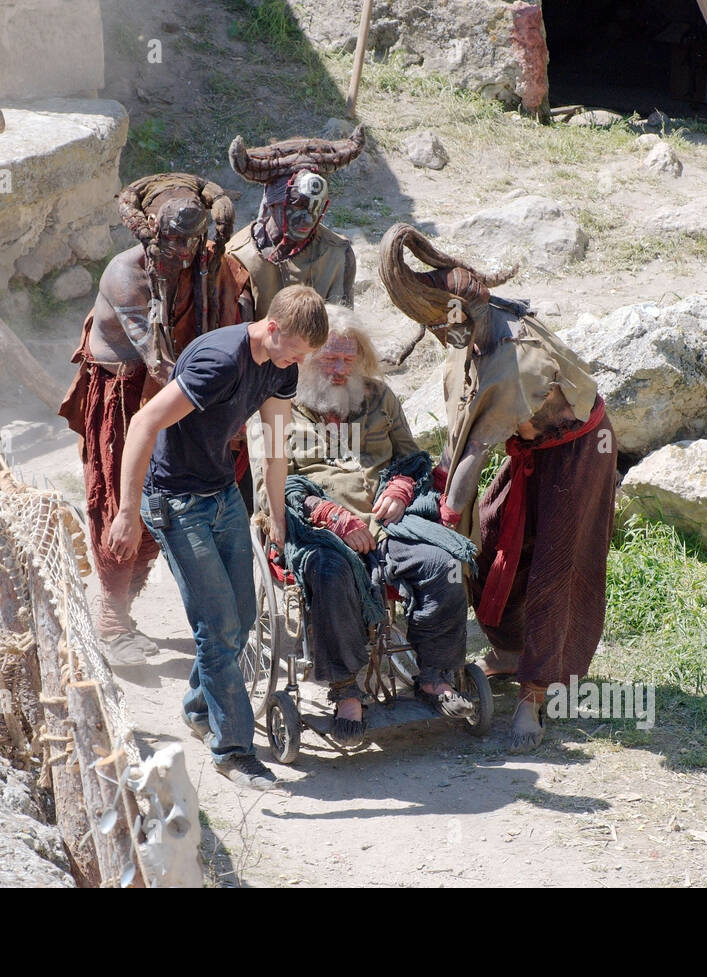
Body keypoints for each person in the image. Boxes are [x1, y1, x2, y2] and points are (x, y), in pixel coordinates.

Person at [379, 223, 618, 754]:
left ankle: (535, 695)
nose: (441, 337)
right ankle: (511, 652)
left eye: (444, 325)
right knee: (491, 538)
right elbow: (456, 437)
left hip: (579, 451)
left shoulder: (514, 361)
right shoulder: (472, 339)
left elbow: (473, 453)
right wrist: (430, 495)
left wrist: (439, 519)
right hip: (532, 451)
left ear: (467, 313)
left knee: (557, 567)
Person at [105, 285, 329, 789]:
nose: (296, 362)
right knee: (218, 625)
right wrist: (127, 510)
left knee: (242, 618)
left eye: (302, 357)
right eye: (293, 350)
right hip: (175, 499)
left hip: (222, 490)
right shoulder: (219, 361)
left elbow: (273, 447)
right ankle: (233, 750)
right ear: (273, 328)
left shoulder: (281, 366)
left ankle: (197, 706)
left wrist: (277, 517)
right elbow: (142, 423)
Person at [58, 172, 252, 665]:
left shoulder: (215, 270)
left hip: (187, 395)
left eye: (192, 243)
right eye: (171, 243)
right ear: (150, 235)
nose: (181, 255)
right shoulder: (127, 274)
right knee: (122, 500)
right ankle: (112, 615)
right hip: (128, 395)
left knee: (174, 498)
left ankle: (147, 608)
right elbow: (158, 358)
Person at [280, 306, 478, 747]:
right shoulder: (282, 404)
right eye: (329, 358)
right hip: (322, 531)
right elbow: (270, 485)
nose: (338, 368)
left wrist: (404, 486)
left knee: (443, 565)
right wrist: (328, 513)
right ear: (307, 356)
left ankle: (433, 676)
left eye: (348, 360)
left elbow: (411, 457)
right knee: (330, 575)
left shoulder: (379, 397)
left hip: (390, 527)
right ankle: (347, 690)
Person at [226, 126, 364, 314]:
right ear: (273, 203)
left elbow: (344, 327)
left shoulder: (338, 255)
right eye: (297, 207)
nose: (307, 220)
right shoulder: (239, 257)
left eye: (316, 208)